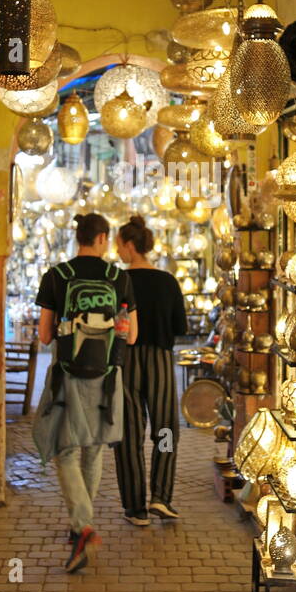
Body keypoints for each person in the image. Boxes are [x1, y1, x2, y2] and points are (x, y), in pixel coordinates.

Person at [32, 211, 138, 573]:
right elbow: (132, 335)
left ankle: (82, 526)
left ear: (79, 238)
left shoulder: (56, 276)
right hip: (107, 379)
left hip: (68, 378)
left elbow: (45, 335)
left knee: (65, 451)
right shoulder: (118, 278)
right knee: (93, 451)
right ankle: (82, 525)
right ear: (103, 238)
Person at [114, 214, 187, 525]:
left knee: (128, 436)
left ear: (130, 245)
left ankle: (135, 508)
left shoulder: (118, 281)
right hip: (158, 360)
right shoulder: (167, 282)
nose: (118, 252)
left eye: (119, 246)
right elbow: (180, 327)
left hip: (126, 361)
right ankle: (161, 496)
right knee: (166, 429)